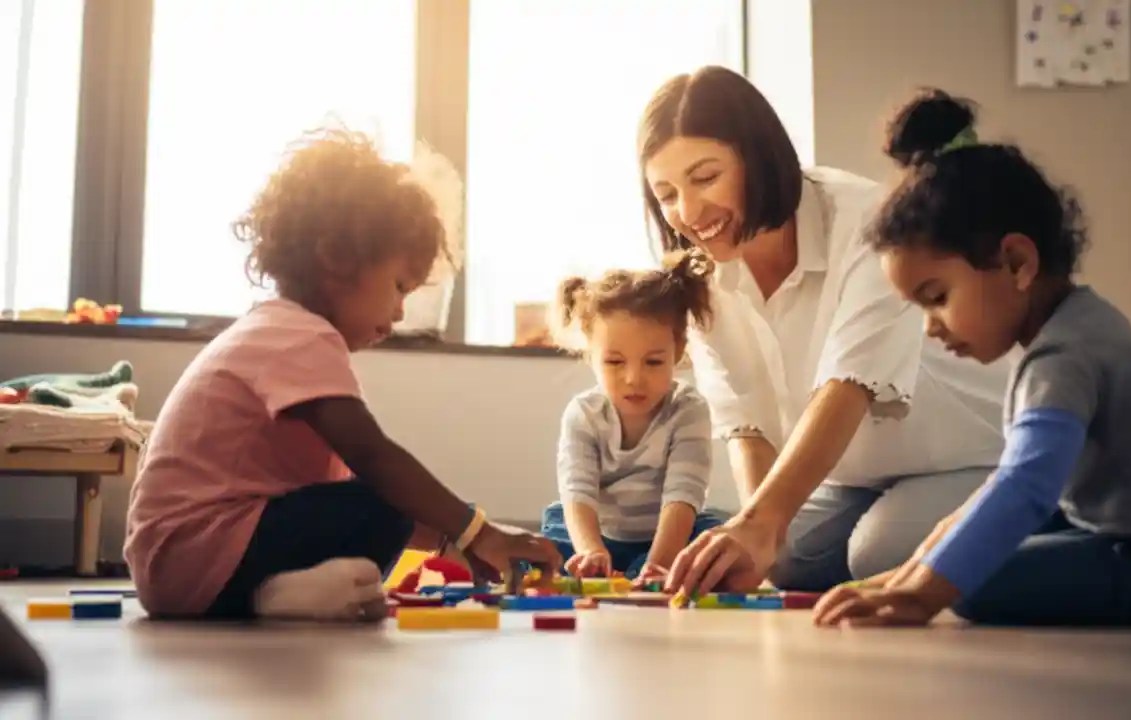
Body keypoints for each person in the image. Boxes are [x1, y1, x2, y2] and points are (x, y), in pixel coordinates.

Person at [813, 88, 1131, 627]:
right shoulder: (1075, 322)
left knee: (976, 584)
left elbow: (1026, 487)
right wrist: (911, 570)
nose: (929, 326)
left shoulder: (1064, 356)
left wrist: (924, 594)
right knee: (966, 552)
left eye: (937, 298)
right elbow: (1008, 487)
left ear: (1016, 262)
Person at [124, 128, 560, 621]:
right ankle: (270, 595)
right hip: (200, 555)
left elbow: (352, 484)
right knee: (380, 493)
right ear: (337, 257)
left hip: (176, 566)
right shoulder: (299, 335)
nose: (398, 313)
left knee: (374, 498)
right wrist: (480, 532)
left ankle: (282, 590)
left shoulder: (276, 330)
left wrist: (453, 546)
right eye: (398, 287)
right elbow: (375, 460)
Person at [637, 66, 1009, 596]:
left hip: (972, 452)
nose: (688, 212)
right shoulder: (702, 278)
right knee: (784, 562)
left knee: (874, 552)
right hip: (859, 479)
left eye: (705, 178)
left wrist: (762, 525)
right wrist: (755, 529)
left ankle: (1053, 513)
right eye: (667, 193)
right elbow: (748, 427)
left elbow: (848, 386)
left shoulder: (868, 222)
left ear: (758, 157)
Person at [542, 249, 725, 581]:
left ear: (679, 349)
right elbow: (577, 490)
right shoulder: (583, 414)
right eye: (614, 362)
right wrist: (590, 550)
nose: (633, 379)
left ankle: (642, 568)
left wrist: (660, 564)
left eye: (653, 362)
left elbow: (684, 494)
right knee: (552, 530)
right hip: (601, 532)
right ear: (591, 353)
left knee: (714, 537)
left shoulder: (688, 409)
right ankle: (600, 566)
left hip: (668, 534)